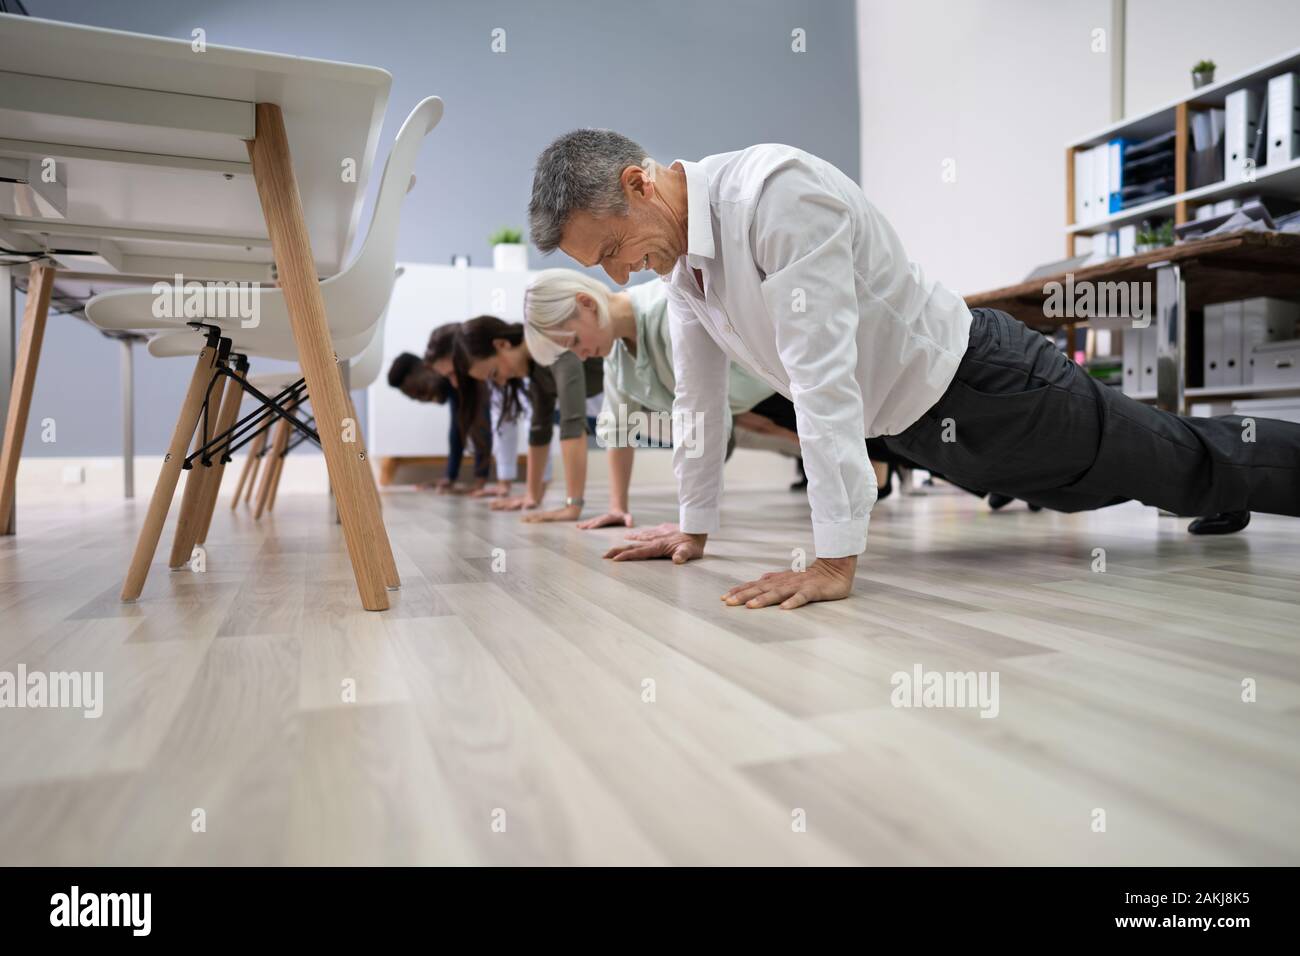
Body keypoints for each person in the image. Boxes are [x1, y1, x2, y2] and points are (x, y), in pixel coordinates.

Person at [526, 129, 1300, 610]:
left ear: (639, 184)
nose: (619, 277)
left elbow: (821, 372)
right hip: (928, 429)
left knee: (1178, 462)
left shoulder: (772, 196)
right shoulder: (682, 268)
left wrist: (835, 557)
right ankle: (1208, 485)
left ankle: (1231, 476)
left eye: (610, 253)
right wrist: (693, 525)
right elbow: (699, 398)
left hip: (991, 387)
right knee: (1123, 477)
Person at [521, 268, 802, 529]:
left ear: (586, 303)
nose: (581, 356)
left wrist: (693, 522)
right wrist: (618, 508)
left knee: (830, 444)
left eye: (574, 342)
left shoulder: (667, 309)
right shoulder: (617, 358)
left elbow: (699, 415)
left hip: (781, 380)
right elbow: (619, 430)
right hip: (745, 402)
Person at [456, 315, 603, 517]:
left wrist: (573, 506)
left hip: (646, 408)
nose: (500, 382)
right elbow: (539, 431)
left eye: (494, 373)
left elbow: (573, 424)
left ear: (502, 344)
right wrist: (531, 496)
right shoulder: (534, 367)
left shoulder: (550, 343)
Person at [386, 351, 491, 493]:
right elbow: (457, 430)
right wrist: (449, 477)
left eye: (422, 392)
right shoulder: (451, 387)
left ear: (426, 368)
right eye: (419, 398)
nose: (428, 400)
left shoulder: (460, 371)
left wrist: (480, 482)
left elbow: (481, 425)